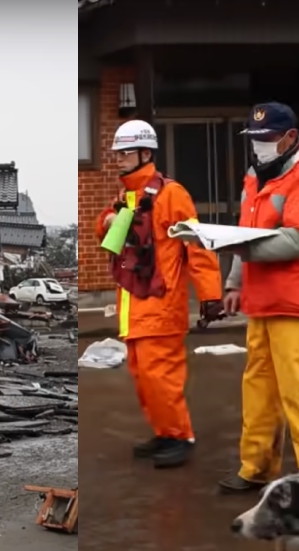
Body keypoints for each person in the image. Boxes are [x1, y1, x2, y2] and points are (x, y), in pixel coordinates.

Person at [217, 102, 299, 492]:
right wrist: (235, 282)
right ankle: (256, 467)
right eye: (254, 139)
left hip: (298, 304)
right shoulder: (259, 177)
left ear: (291, 137)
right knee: (259, 391)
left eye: (267, 138)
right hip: (264, 302)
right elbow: (248, 229)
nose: (259, 146)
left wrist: (232, 249)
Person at [95, 119, 224, 469]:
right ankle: (165, 432)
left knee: (161, 377)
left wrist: (211, 295)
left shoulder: (171, 195)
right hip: (134, 306)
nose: (118, 159)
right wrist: (107, 220)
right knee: (143, 377)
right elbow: (109, 238)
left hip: (161, 305)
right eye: (117, 153)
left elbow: (197, 247)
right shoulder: (127, 196)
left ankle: (181, 436)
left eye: (125, 153)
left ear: (145, 153)